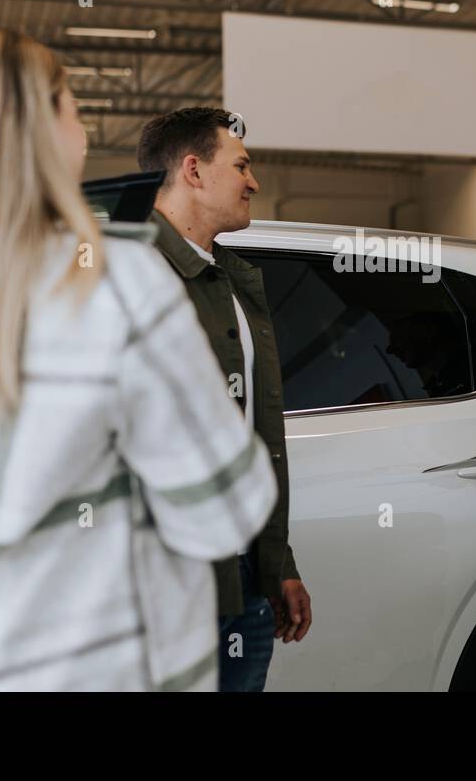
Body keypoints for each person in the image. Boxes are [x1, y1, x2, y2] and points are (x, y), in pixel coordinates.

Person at [0, 25, 276, 691]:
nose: (85, 128)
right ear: (36, 132)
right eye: (70, 105)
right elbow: (226, 510)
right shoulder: (114, 284)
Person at [136, 108, 311, 692]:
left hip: (242, 580)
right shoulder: (128, 272)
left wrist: (276, 565)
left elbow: (253, 435)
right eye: (241, 165)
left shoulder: (233, 283)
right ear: (192, 170)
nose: (254, 182)